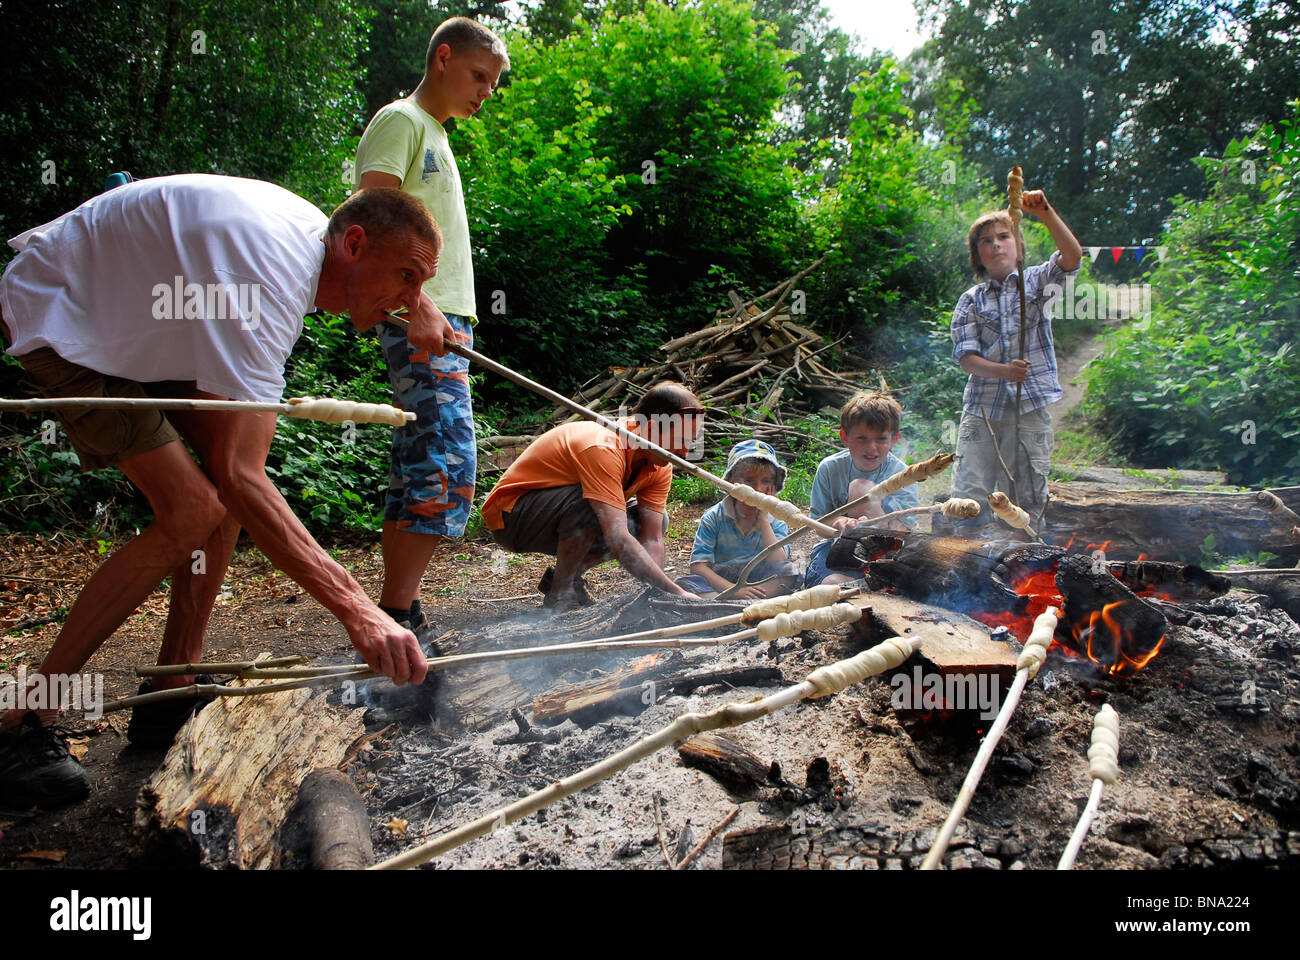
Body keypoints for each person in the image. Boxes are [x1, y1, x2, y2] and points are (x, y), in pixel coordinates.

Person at [0, 174, 448, 808]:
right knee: (198, 506)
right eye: (408, 277)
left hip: (142, 323)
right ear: (353, 243)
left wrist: (412, 291)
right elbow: (244, 478)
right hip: (67, 316)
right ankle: (26, 719)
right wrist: (359, 610)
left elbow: (238, 469)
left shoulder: (306, 250)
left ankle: (170, 688)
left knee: (221, 490)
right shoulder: (264, 287)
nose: (410, 301)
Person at [353, 16, 509, 645]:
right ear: (442, 58)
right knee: (444, 464)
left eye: (493, 84)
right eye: (479, 76)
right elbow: (368, 217)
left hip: (443, 319)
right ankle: (396, 616)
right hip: (421, 317)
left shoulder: (437, 136)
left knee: (423, 461)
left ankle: (398, 609)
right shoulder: (402, 121)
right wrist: (413, 302)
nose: (485, 92)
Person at [482, 382, 703, 610]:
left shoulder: (660, 464)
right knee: (593, 506)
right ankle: (561, 594)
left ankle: (563, 577)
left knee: (646, 518)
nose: (684, 453)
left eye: (689, 442)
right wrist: (677, 592)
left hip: (558, 517)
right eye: (680, 441)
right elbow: (618, 537)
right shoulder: (603, 446)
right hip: (513, 517)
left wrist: (657, 594)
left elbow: (652, 538)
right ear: (649, 429)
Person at [948, 190, 1082, 531]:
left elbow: (1071, 256)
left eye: (1004, 237)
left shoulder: (1036, 283)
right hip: (982, 410)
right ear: (977, 255)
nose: (996, 245)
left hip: (1030, 409)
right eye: (986, 241)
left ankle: (1021, 562)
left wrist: (1046, 213)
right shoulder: (971, 300)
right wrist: (1005, 372)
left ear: (1018, 245)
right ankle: (965, 559)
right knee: (970, 492)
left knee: (1025, 494)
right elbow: (967, 358)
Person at [805, 392, 919, 587]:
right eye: (862, 439)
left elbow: (903, 529)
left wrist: (877, 521)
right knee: (830, 586)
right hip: (836, 550)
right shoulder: (830, 469)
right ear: (845, 437)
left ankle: (867, 584)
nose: (872, 448)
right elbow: (818, 523)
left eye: (881, 439)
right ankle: (859, 585)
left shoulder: (902, 474)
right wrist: (839, 522)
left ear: (894, 440)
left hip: (885, 554)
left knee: (912, 586)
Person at [677, 440, 800, 600]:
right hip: (721, 580)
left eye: (765, 481)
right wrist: (733, 590)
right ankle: (734, 602)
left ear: (773, 486)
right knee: (684, 584)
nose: (757, 489)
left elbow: (778, 562)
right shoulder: (714, 517)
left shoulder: (775, 519)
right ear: (731, 483)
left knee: (790, 572)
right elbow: (698, 566)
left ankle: (749, 602)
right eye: (748, 481)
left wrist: (764, 520)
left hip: (759, 578)